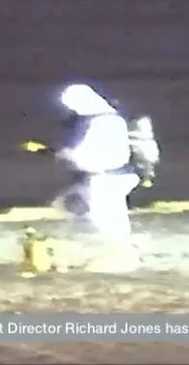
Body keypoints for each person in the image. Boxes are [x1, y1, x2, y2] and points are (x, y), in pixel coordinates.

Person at [29, 84, 145, 271]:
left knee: (106, 217)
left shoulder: (101, 123)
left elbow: (90, 156)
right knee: (70, 205)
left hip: (107, 178)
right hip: (107, 176)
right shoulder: (109, 119)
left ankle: (124, 256)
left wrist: (62, 154)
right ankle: (121, 252)